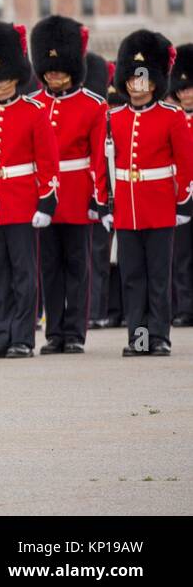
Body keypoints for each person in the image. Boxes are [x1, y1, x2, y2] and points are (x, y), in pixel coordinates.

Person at [0, 22, 60, 360]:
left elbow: (47, 161)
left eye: (5, 78)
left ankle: (22, 337)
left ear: (16, 76)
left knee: (24, 274)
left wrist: (47, 201)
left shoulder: (34, 112)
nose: (1, 85)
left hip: (21, 203)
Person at [101, 30, 193, 357]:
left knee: (158, 278)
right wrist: (105, 204)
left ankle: (160, 337)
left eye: (143, 81)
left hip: (159, 208)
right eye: (131, 81)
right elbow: (105, 166)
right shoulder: (114, 118)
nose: (136, 87)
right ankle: (139, 340)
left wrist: (183, 202)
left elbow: (185, 165)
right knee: (133, 279)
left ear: (154, 83)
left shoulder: (172, 118)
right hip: (127, 210)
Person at [29, 16, 107, 355]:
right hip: (43, 197)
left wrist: (98, 198)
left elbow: (98, 158)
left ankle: (75, 331)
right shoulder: (34, 105)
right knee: (49, 267)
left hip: (77, 194)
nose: (54, 76)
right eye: (49, 70)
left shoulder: (94, 105)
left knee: (78, 266)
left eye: (59, 70)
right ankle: (54, 331)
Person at [86, 54, 123, 329]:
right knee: (94, 254)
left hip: (110, 190)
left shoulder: (106, 114)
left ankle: (106, 309)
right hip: (90, 189)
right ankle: (96, 308)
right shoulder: (97, 113)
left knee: (108, 255)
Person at [167, 44, 193, 327]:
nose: (186, 93)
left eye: (190, 88)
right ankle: (185, 306)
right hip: (180, 192)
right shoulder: (173, 118)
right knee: (182, 254)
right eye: (182, 88)